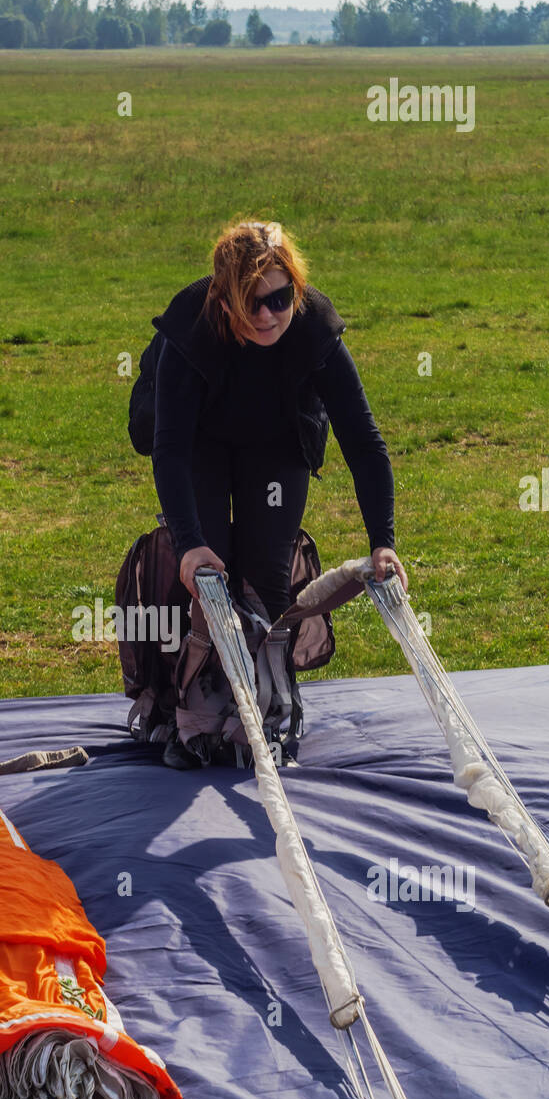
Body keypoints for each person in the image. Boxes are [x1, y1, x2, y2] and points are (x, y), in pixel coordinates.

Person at [150, 218, 408, 769]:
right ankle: (191, 707)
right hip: (201, 443)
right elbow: (168, 447)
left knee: (266, 573)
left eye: (280, 296)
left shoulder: (314, 329)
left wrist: (382, 542)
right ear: (224, 302)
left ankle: (268, 711)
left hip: (278, 442)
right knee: (206, 572)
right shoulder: (190, 332)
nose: (269, 314)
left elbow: (364, 442)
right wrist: (190, 542)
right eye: (253, 303)